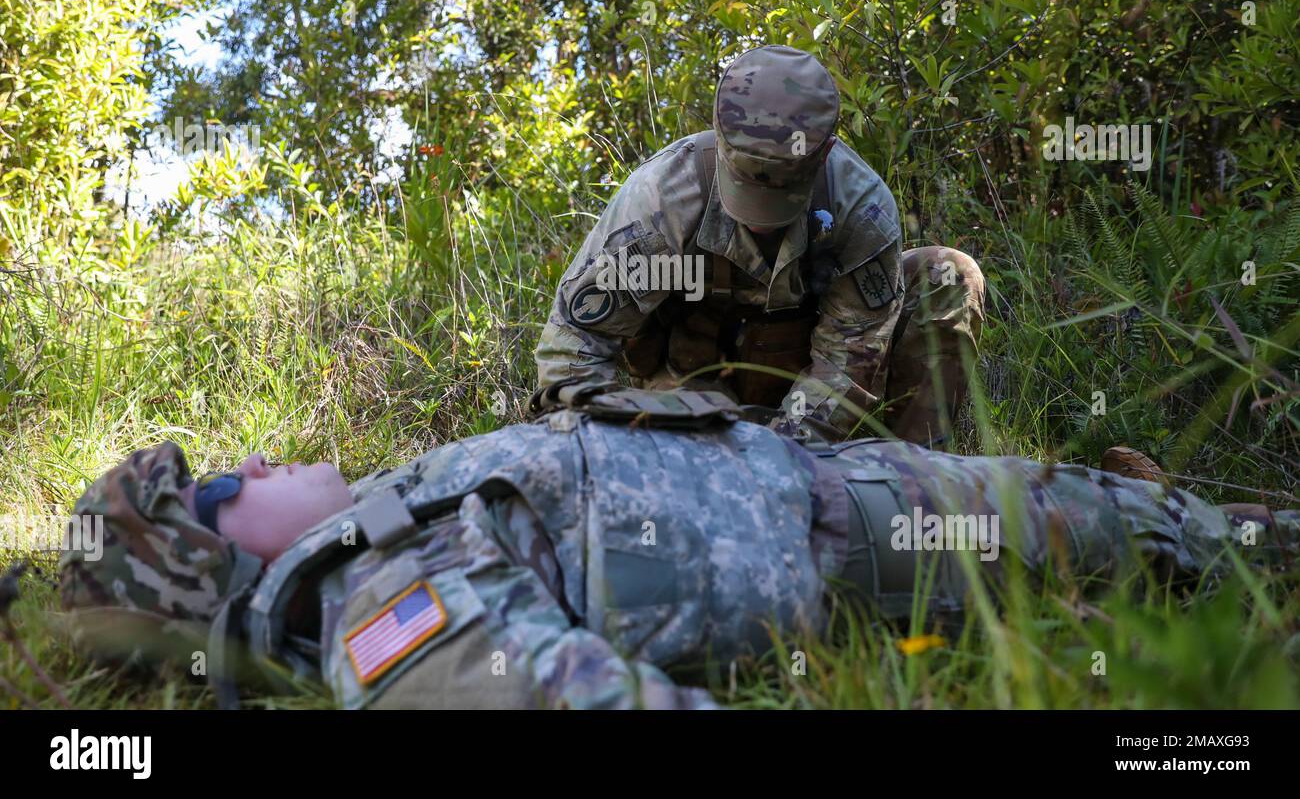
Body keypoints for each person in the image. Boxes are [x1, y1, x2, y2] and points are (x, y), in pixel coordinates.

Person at [59, 383, 1296, 709]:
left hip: (833, 478)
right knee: (1150, 538)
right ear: (219, 572)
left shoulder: (390, 516)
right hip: (867, 543)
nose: (256, 460)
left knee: (1145, 523)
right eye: (223, 485)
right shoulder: (381, 600)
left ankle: (1215, 538)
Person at [534, 44, 986, 446]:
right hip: (690, 389)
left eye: (779, 199)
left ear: (824, 152)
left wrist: (786, 451)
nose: (762, 223)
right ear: (719, 133)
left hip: (812, 400)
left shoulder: (861, 209)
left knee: (948, 274)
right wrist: (594, 446)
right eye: (746, 190)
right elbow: (576, 341)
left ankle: (910, 481)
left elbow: (849, 361)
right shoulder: (663, 201)